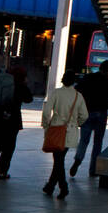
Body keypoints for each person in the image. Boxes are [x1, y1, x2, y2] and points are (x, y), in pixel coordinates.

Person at [71, 60, 108, 179]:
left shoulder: (89, 78)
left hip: (87, 112)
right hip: (101, 114)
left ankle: (78, 159)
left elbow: (76, 89)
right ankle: (93, 169)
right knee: (97, 142)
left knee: (84, 140)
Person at [42, 71, 87, 199]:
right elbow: (85, 115)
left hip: (56, 128)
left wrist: (46, 125)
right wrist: (77, 123)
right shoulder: (78, 96)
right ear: (74, 82)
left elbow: (46, 112)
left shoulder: (56, 93)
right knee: (59, 159)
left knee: (58, 160)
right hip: (71, 131)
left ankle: (63, 187)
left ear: (62, 80)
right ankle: (50, 186)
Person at [0, 65, 35, 180]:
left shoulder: (4, 84)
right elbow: (29, 99)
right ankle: (2, 171)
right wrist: (25, 84)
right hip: (13, 120)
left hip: (0, 117)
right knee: (9, 147)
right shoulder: (21, 86)